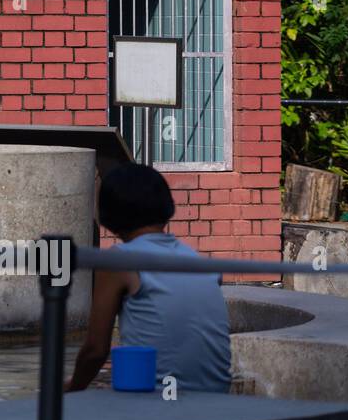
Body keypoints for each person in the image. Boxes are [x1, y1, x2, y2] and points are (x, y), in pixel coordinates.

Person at [66, 163, 232, 393]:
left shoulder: (119, 261)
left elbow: (95, 351)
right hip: (218, 402)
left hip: (164, 404)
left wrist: (70, 389)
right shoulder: (198, 262)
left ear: (109, 212)